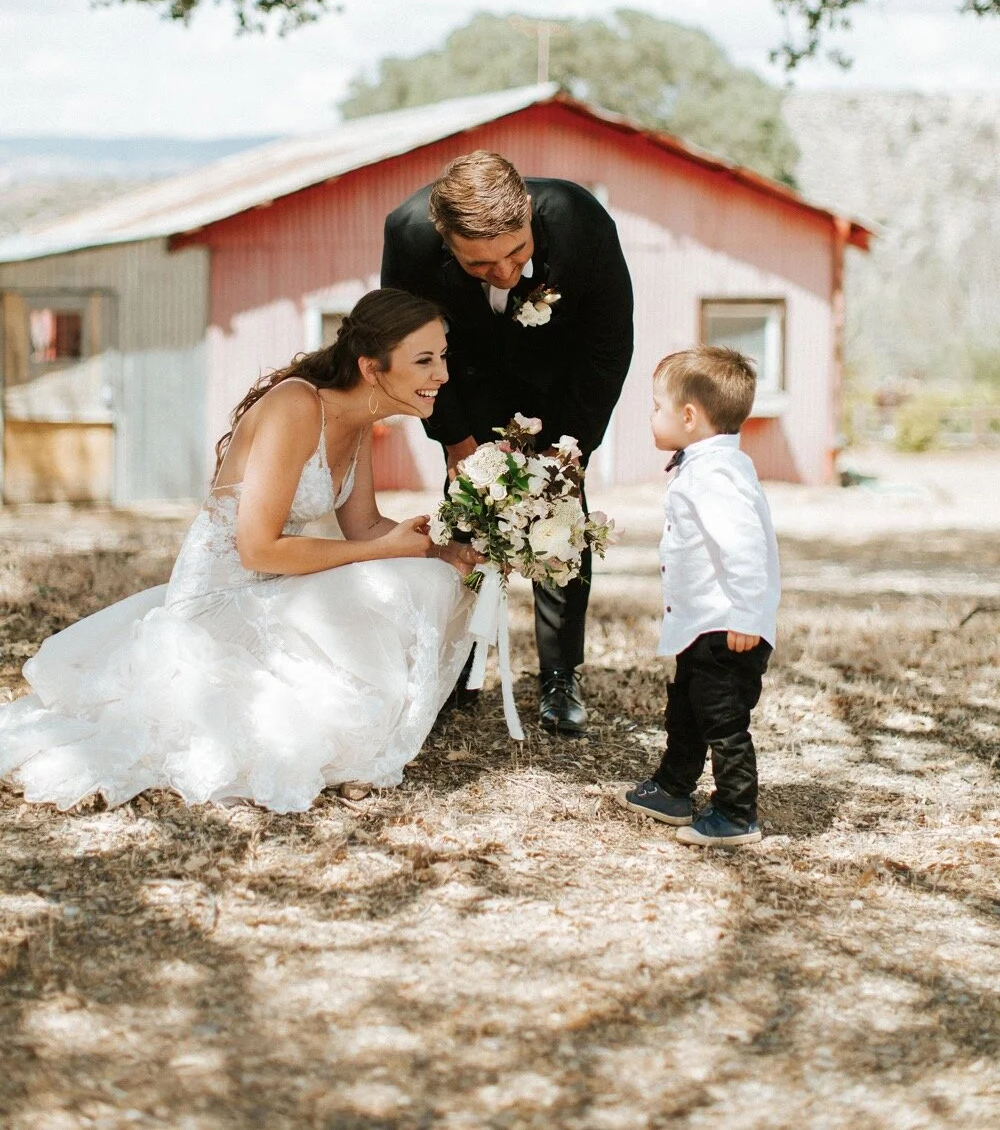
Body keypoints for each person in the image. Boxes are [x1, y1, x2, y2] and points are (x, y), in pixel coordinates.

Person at [0, 290, 481, 814]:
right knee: (389, 583)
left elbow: (364, 527)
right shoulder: (297, 407)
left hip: (274, 587)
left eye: (443, 357)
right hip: (220, 598)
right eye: (425, 360)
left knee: (435, 577)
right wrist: (383, 553)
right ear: (371, 367)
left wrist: (442, 550)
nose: (443, 375)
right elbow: (258, 549)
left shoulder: (358, 421)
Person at [382, 150, 633, 736]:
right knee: (464, 522)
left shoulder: (581, 221)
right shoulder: (409, 235)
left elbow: (607, 344)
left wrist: (573, 446)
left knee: (561, 522)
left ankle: (560, 677)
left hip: (559, 388)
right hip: (464, 389)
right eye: (480, 265)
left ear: (527, 214)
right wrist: (454, 439)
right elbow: (412, 345)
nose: (505, 274)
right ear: (445, 241)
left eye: (517, 254)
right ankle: (458, 668)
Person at [623, 346, 780, 847]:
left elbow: (746, 548)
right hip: (701, 624)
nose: (651, 416)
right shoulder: (710, 466)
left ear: (689, 417)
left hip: (727, 626)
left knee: (723, 721)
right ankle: (672, 788)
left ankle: (736, 813)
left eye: (656, 406)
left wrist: (748, 616)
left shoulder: (715, 474)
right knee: (686, 708)